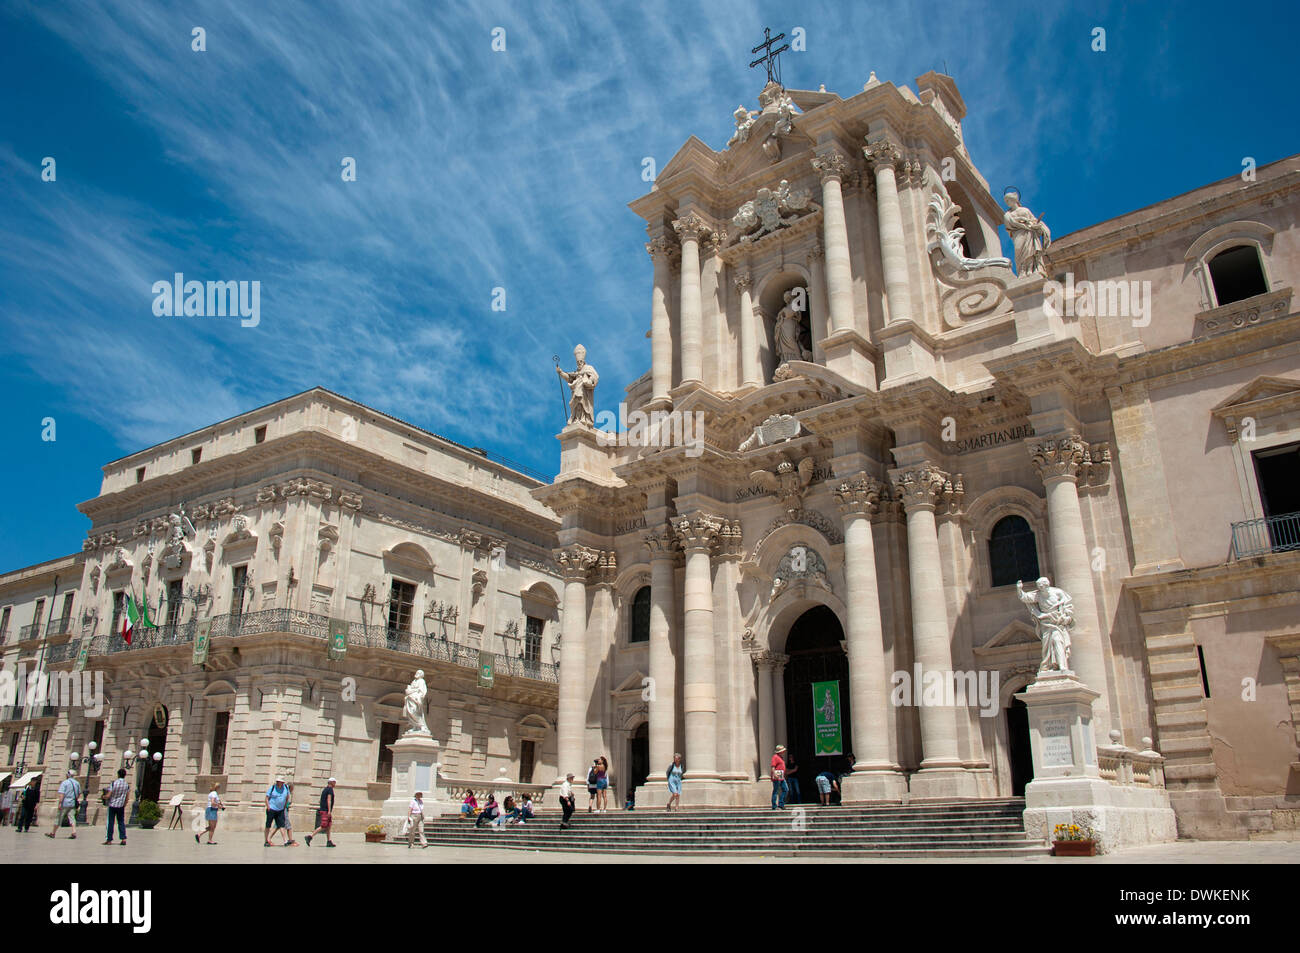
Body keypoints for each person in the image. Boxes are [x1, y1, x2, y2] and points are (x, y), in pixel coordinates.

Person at [45, 770, 81, 839]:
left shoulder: (65, 783)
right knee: (72, 817)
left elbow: (61, 794)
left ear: (68, 775)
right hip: (72, 803)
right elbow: (79, 793)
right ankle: (74, 832)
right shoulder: (77, 783)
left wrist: (60, 803)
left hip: (65, 803)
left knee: (59, 818)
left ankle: (53, 833)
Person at [305, 778, 336, 847]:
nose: (335, 784)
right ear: (332, 782)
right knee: (324, 825)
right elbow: (329, 800)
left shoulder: (325, 789)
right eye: (335, 782)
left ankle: (329, 841)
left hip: (323, 809)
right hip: (326, 810)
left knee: (328, 825)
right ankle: (310, 836)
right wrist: (329, 810)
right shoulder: (330, 790)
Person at [264, 776, 295, 847]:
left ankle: (285, 841)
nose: (278, 783)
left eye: (280, 782)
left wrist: (284, 806)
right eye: (277, 781)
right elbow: (266, 798)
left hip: (280, 810)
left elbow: (287, 797)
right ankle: (266, 841)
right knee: (268, 825)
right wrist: (268, 807)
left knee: (282, 826)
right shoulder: (272, 788)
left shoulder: (286, 788)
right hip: (271, 809)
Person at [103, 769, 130, 845]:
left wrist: (103, 796)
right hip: (121, 806)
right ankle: (123, 838)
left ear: (118, 774)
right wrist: (124, 804)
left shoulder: (114, 783)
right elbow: (127, 797)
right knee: (121, 822)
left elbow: (108, 795)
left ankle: (109, 839)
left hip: (112, 805)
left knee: (110, 822)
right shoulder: (126, 785)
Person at [195, 781, 223, 845]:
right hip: (212, 810)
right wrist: (219, 806)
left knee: (212, 826)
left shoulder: (212, 793)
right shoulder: (214, 793)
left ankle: (199, 834)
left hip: (211, 810)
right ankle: (210, 840)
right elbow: (213, 802)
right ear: (217, 787)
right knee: (212, 827)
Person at [770, 745, 787, 810]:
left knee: (785, 789)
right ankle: (774, 805)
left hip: (781, 776)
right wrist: (774, 774)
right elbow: (773, 766)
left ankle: (781, 804)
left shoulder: (781, 757)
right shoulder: (775, 757)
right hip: (777, 776)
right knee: (776, 790)